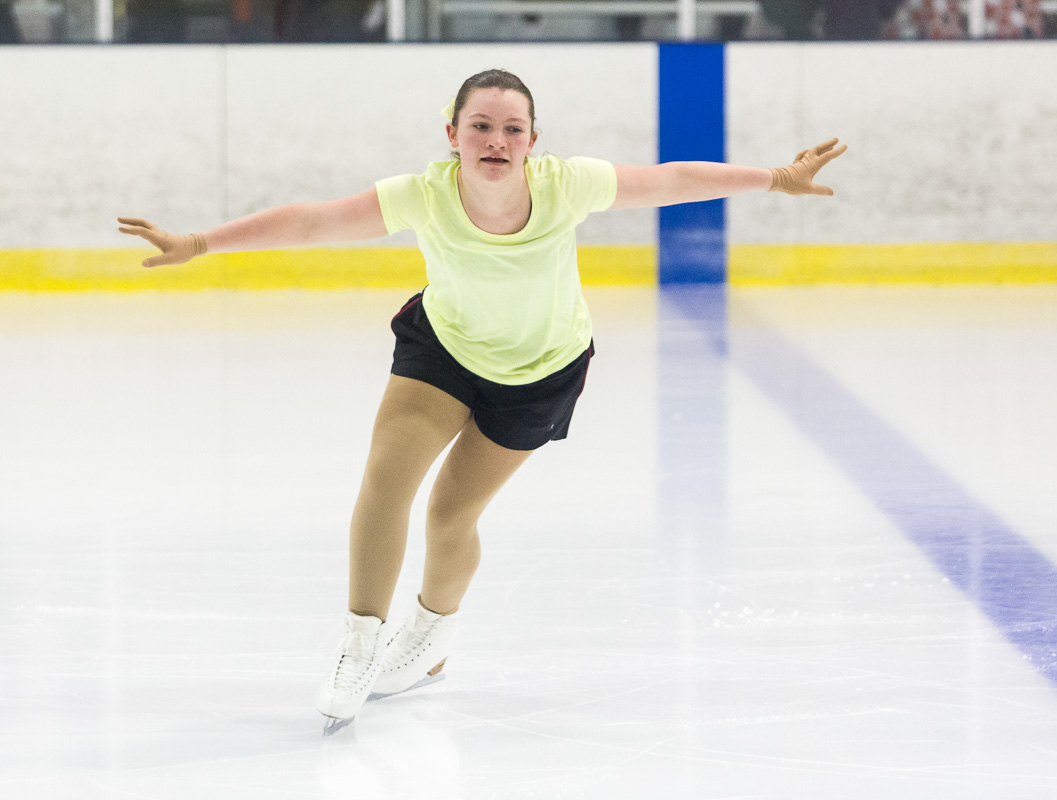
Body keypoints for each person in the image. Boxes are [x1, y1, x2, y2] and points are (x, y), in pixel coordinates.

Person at [117, 69, 846, 727]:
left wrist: (776, 178)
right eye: (481, 126)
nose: (496, 140)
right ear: (453, 134)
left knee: (450, 513)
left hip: (540, 370)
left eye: (512, 128)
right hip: (444, 350)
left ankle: (431, 634)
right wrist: (202, 243)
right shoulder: (425, 194)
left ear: (533, 139)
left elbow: (670, 179)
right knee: (386, 483)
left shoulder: (566, 185)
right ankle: (359, 643)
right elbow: (316, 220)